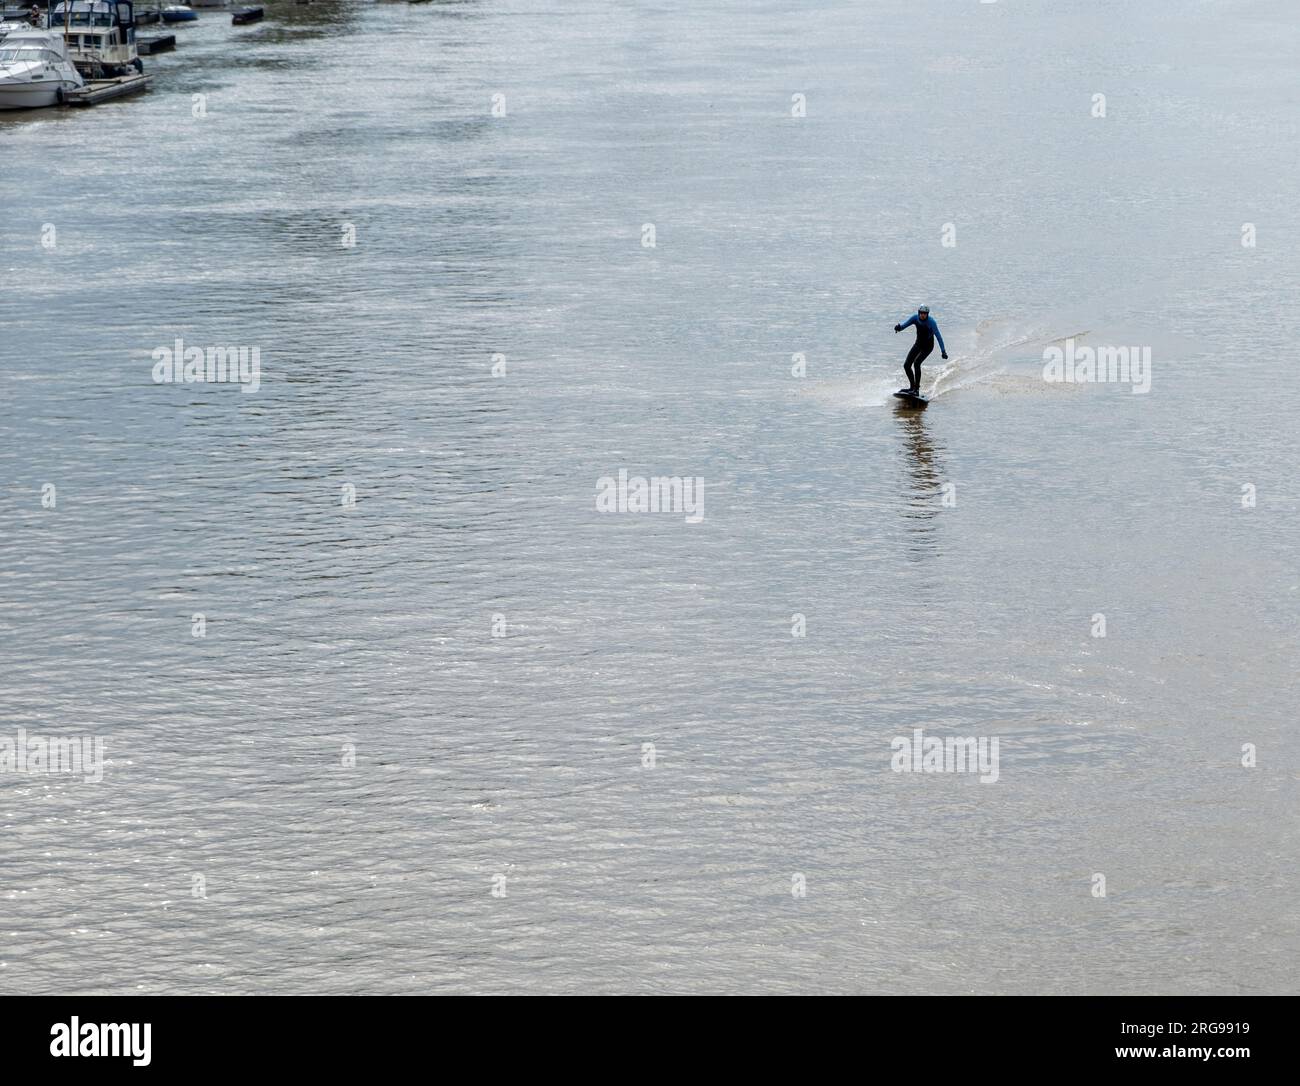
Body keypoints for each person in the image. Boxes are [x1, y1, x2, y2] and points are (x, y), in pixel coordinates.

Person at [894, 305, 948, 394]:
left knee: (916, 363)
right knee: (906, 365)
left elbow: (939, 337)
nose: (923, 315)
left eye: (925, 314)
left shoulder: (931, 322)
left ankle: (916, 390)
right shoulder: (915, 318)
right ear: (919, 313)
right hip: (918, 344)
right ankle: (912, 387)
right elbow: (904, 325)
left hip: (928, 347)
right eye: (921, 313)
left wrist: (943, 351)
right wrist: (899, 328)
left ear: (927, 314)